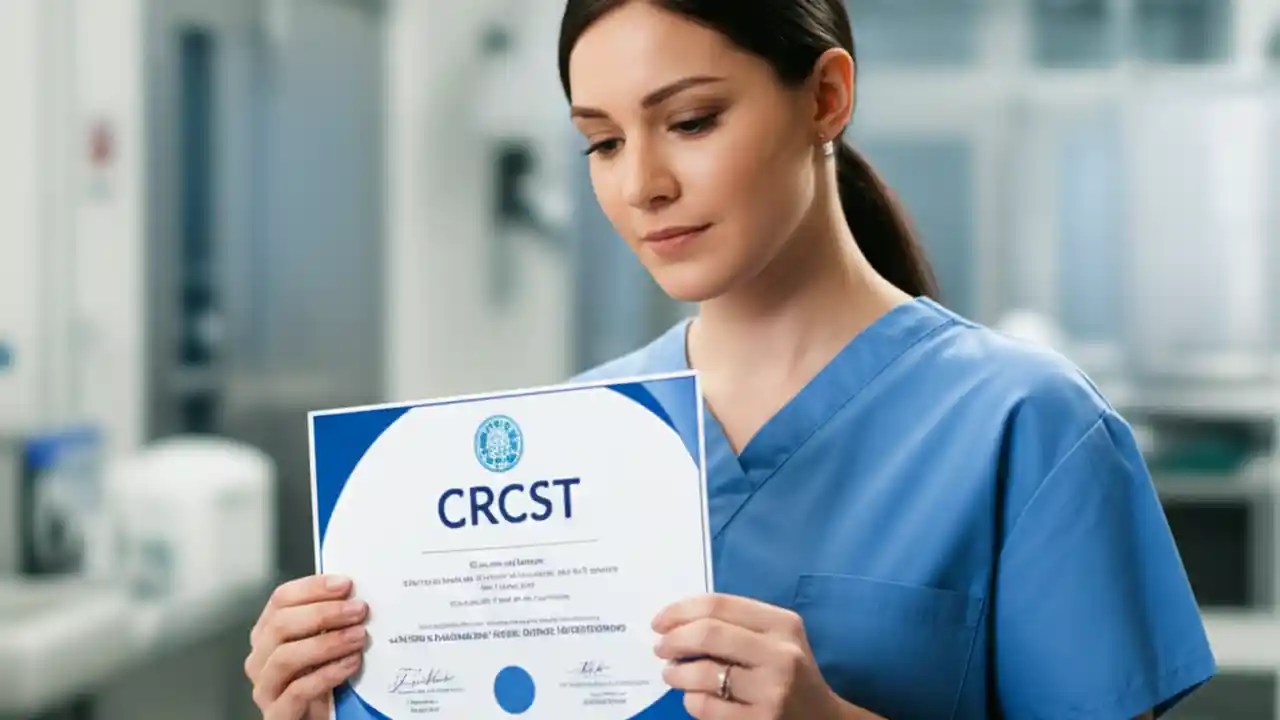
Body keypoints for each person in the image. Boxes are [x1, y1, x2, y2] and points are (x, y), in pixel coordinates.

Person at [244, 1, 1217, 718]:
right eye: (602, 143)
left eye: (692, 121)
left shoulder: (1024, 425)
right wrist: (339, 698)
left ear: (826, 97)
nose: (642, 184)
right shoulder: (570, 433)